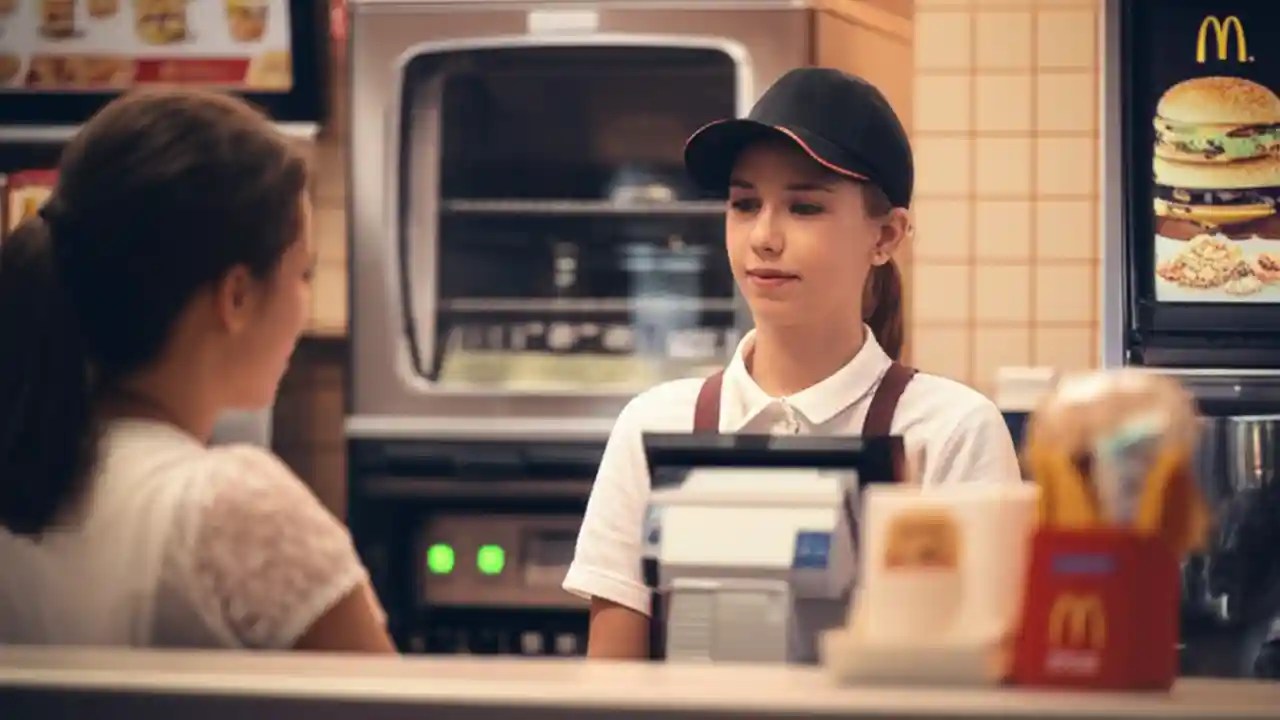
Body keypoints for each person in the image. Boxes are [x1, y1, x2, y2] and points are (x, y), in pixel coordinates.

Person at [562, 68, 1022, 659]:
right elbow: (612, 686)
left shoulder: (949, 431)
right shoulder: (653, 425)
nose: (764, 236)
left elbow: (983, 676)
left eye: (804, 207)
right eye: (744, 204)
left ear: (886, 236)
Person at [0, 88, 394, 653]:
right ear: (236, 297)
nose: (305, 304)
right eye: (303, 274)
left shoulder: (25, 469)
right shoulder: (233, 507)